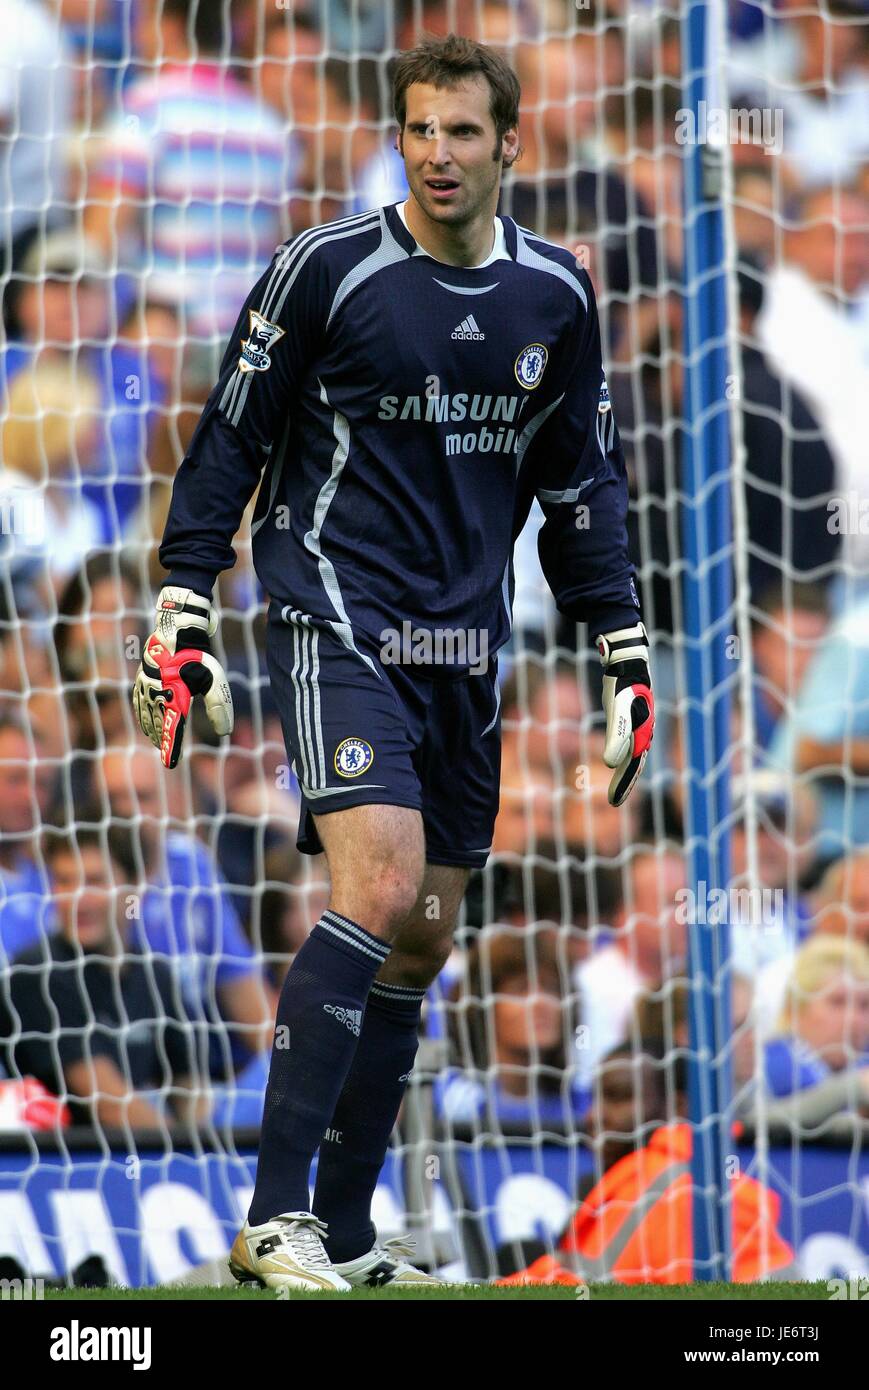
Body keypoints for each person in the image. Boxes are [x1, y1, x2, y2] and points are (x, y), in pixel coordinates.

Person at [132, 32, 655, 1292]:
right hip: (338, 617)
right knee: (376, 890)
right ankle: (273, 1219)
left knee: (419, 941)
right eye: (417, 129)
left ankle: (352, 1235)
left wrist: (620, 644)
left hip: (467, 647)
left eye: (461, 132)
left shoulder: (557, 298)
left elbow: (578, 482)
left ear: (508, 145)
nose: (436, 153)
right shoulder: (325, 271)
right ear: (397, 138)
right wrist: (185, 591)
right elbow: (232, 437)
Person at [498, 1044, 798, 1285]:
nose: (594, 1115)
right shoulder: (644, 1183)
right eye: (594, 1097)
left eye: (619, 1097)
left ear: (677, 1108)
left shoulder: (675, 1189)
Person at [0, 827, 200, 1131]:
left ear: (135, 888)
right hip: (56, 1166)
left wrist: (201, 1132)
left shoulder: (155, 976)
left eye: (95, 881)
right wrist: (190, 1155)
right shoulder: (39, 973)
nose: (78, 898)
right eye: (65, 881)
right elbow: (110, 1106)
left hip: (134, 1154)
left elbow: (192, 1091)